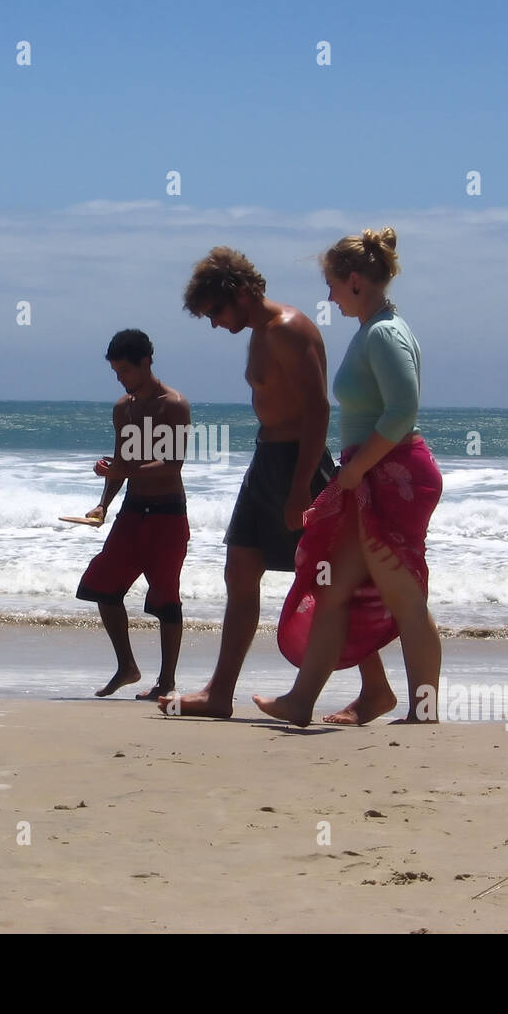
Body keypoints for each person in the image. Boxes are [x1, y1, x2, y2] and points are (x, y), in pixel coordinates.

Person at [157, 247, 392, 722]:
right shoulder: (258, 333)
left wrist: (301, 486)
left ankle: (376, 689)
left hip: (296, 465)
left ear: (240, 294)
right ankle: (219, 693)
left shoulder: (289, 329)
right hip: (267, 460)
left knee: (328, 579)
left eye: (216, 312)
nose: (215, 324)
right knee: (240, 572)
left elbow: (318, 410)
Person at [254, 228, 443, 727]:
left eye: (332, 285)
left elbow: (403, 411)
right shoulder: (375, 329)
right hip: (373, 474)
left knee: (405, 597)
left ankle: (424, 713)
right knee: (333, 587)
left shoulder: (384, 333)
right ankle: (301, 701)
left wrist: (356, 469)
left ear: (355, 281)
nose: (329, 296)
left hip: (392, 476)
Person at [76, 330, 190, 699]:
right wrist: (103, 504)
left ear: (146, 363)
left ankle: (166, 683)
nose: (121, 378)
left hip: (168, 515)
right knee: (102, 587)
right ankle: (127, 666)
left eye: (125, 370)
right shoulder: (123, 407)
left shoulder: (172, 404)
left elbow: (172, 464)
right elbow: (121, 464)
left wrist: (120, 471)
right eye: (116, 371)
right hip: (132, 511)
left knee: (165, 597)